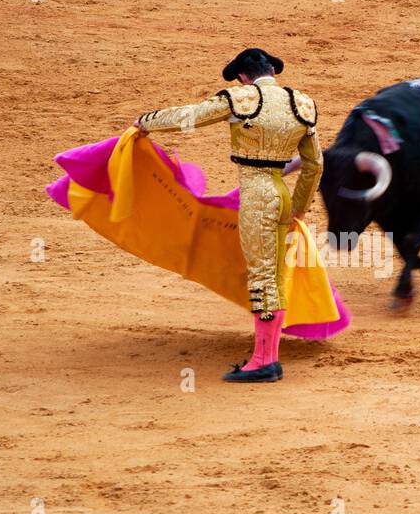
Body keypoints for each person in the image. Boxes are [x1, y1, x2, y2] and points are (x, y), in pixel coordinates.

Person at [133, 48, 322, 383]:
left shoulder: (241, 99)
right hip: (279, 193)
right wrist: (298, 208)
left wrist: (145, 123)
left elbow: (188, 117)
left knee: (262, 277)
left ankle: (264, 361)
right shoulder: (301, 104)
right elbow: (314, 165)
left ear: (242, 76)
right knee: (274, 277)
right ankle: (269, 358)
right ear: (271, 71)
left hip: (256, 196)